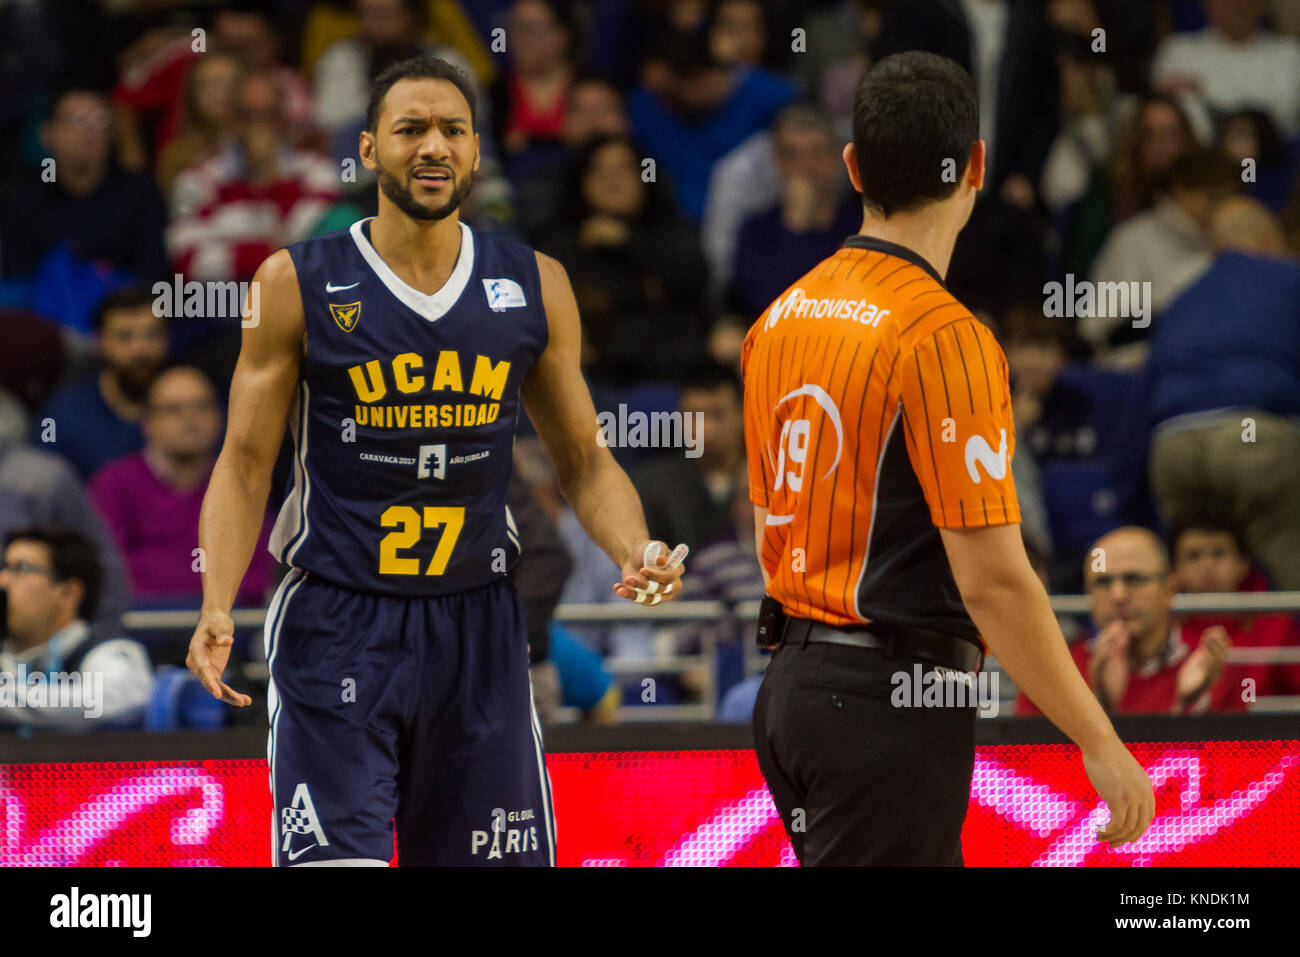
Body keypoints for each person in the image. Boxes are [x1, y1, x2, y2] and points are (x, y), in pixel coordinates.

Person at [186, 55, 686, 867]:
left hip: (478, 621)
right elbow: (245, 463)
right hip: (338, 618)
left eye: (452, 130)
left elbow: (586, 460)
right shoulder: (296, 281)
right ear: (369, 149)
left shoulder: (533, 283)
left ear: (477, 153)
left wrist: (635, 547)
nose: (433, 146)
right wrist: (217, 599)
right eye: (410, 129)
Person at [743, 51, 1152, 866]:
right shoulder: (947, 338)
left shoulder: (778, 318)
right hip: (885, 706)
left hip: (791, 690)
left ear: (853, 166)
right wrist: (1098, 738)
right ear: (976, 166)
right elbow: (994, 580)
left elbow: (770, 529)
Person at [1143, 197, 1300, 590]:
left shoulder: (1181, 299)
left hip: (1172, 445)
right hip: (1253, 434)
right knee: (1283, 564)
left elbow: (1144, 391)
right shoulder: (1289, 277)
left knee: (1193, 572)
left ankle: (1190, 651)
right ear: (1267, 240)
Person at [90, 366, 274, 608]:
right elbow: (107, 575)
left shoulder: (242, 486)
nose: (190, 418)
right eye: (173, 409)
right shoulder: (113, 485)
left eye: (201, 406)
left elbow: (260, 576)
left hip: (229, 631)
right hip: (138, 626)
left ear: (219, 418)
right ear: (148, 422)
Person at [1015, 527, 1235, 716]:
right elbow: (1023, 762)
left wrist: (1189, 704)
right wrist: (1102, 703)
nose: (1118, 595)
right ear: (1088, 594)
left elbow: (1231, 762)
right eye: (1103, 582)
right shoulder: (1051, 673)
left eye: (1133, 579)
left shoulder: (1208, 663)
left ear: (1170, 588)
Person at [0, 526, 153, 731]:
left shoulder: (111, 651)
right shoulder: (5, 657)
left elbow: (108, 700)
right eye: (4, 568)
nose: (3, 582)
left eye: (20, 569)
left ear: (68, 593)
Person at [33, 286, 168, 480]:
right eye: (125, 337)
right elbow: (43, 485)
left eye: (151, 335)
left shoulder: (195, 404)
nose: (141, 349)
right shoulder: (62, 415)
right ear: (99, 343)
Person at [1169, 512, 1300, 709]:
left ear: (1243, 565)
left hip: (1264, 737)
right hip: (1179, 738)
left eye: (1218, 553)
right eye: (1193, 556)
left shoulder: (1277, 625)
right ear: (1174, 571)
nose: (1207, 566)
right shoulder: (1161, 629)